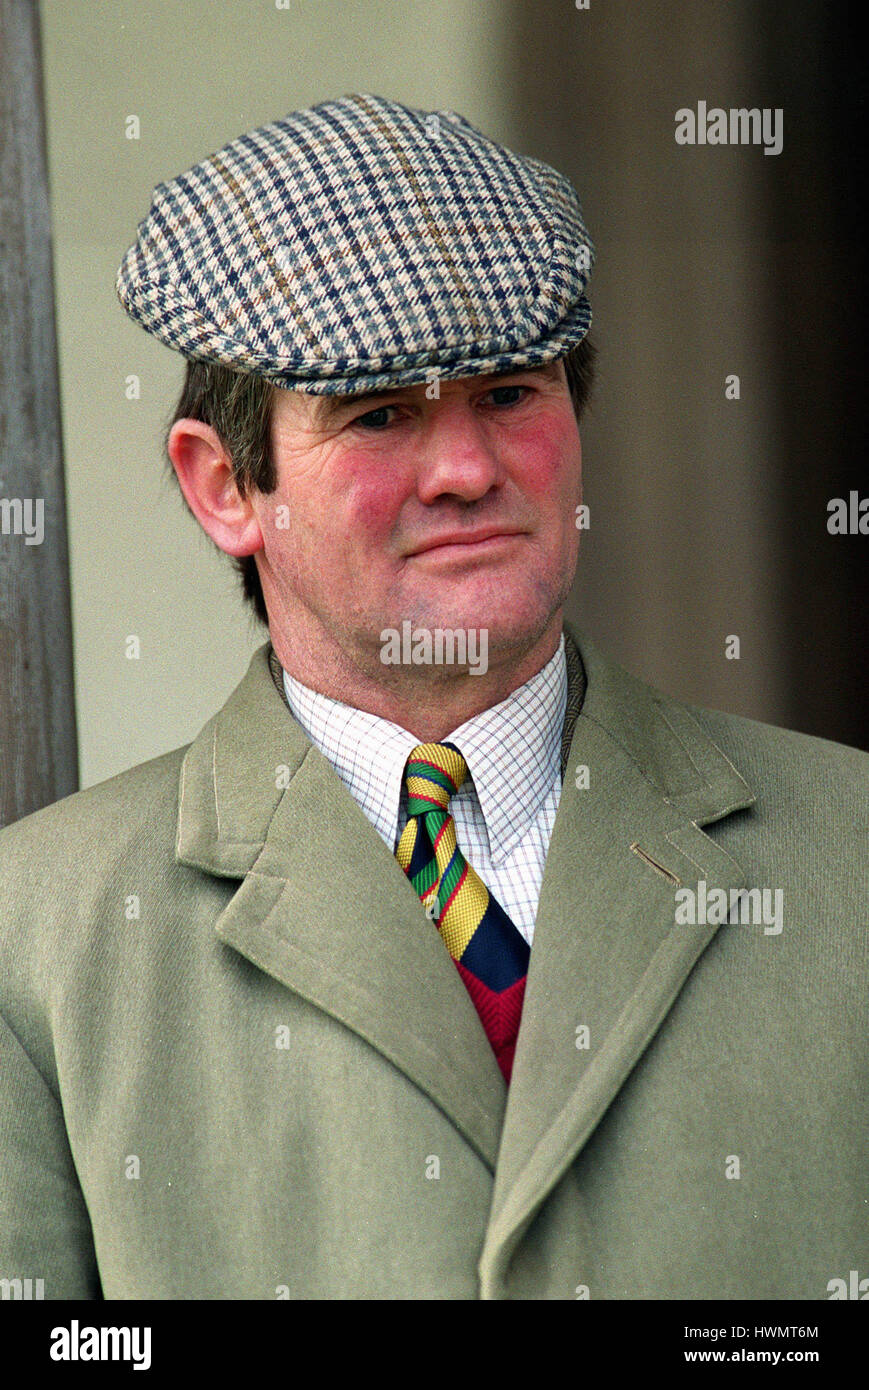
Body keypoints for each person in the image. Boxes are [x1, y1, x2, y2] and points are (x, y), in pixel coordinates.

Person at [0, 93, 865, 1302]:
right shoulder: (32, 941)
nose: (465, 470)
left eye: (510, 392)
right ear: (222, 486)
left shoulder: (850, 852)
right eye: (380, 414)